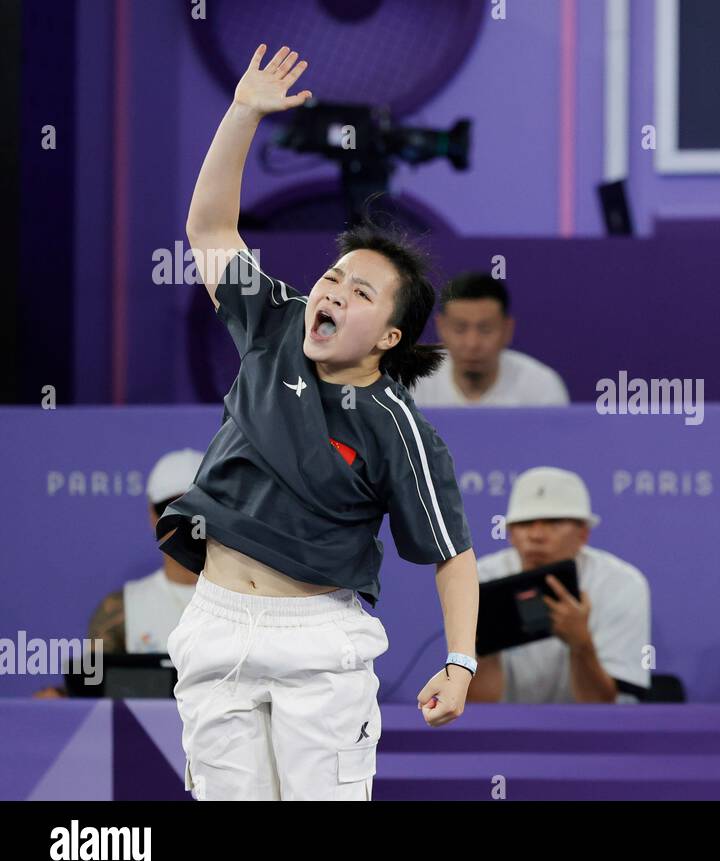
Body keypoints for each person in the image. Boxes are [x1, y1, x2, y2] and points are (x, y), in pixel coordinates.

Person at [158, 44, 478, 801]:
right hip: (217, 623)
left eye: (360, 292)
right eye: (333, 276)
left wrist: (460, 662)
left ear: (391, 337)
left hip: (317, 643)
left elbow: (452, 554)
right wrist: (241, 115)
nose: (331, 291)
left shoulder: (396, 425)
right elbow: (210, 232)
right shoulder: (275, 323)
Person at [466, 467, 650, 704]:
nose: (536, 535)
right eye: (525, 523)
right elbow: (479, 709)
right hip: (507, 731)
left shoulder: (620, 583)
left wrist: (581, 644)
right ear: (510, 534)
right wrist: (486, 645)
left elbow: (606, 709)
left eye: (553, 522)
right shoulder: (479, 579)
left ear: (583, 534)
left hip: (591, 736)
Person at [89, 449, 204, 654]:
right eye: (171, 510)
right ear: (152, 515)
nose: (185, 521)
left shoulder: (251, 600)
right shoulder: (122, 608)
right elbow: (92, 682)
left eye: (197, 508)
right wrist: (61, 689)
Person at [410, 272, 568, 407]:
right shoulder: (413, 385)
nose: (472, 343)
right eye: (460, 329)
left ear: (507, 329)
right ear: (441, 327)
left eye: (485, 329)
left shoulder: (541, 388)